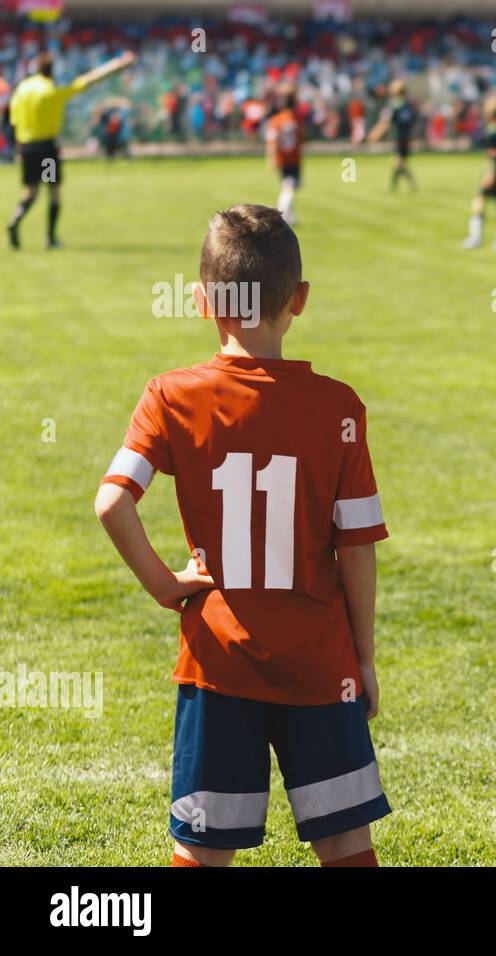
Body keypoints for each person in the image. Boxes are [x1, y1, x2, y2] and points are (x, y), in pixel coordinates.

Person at [94, 204, 391, 867]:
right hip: (321, 664)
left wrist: (166, 586)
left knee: (203, 852)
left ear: (202, 301)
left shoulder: (171, 396)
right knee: (345, 843)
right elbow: (358, 548)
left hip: (218, 663)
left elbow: (112, 502)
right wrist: (363, 657)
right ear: (301, 299)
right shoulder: (338, 408)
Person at [6, 49, 135, 250]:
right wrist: (118, 65)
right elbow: (88, 80)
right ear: (52, 70)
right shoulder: (52, 90)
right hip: (46, 148)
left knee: (31, 191)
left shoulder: (22, 89)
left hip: (26, 147)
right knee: (53, 191)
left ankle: (15, 220)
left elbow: (13, 119)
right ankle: (50, 238)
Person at [462, 96, 496, 250]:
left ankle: (475, 237)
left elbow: (493, 154)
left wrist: (490, 174)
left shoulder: (492, 131)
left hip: (493, 173)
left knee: (479, 201)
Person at [368, 79, 418, 192]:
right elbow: (413, 121)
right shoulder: (408, 105)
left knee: (398, 162)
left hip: (398, 137)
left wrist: (375, 134)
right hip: (406, 138)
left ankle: (408, 182)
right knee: (399, 161)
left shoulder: (394, 105)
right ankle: (395, 186)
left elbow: (384, 122)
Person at [265, 88, 303, 224]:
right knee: (290, 185)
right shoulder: (296, 119)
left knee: (289, 185)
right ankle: (282, 212)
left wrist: (271, 158)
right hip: (294, 157)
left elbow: (272, 141)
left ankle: (289, 214)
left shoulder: (276, 120)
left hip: (282, 158)